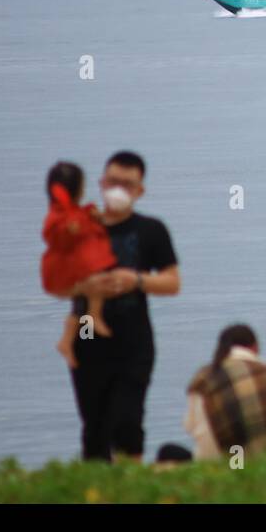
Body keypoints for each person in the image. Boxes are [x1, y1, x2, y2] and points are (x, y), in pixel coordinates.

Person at [66, 151, 181, 461]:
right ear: (101, 183)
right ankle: (96, 487)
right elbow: (57, 283)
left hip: (134, 337)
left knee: (127, 421)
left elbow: (172, 282)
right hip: (87, 331)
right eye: (113, 181)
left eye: (128, 185)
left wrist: (137, 281)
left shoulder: (151, 230)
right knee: (94, 425)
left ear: (139, 191)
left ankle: (131, 484)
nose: (118, 189)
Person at [40, 162, 117, 368]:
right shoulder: (65, 217)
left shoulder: (61, 213)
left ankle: (77, 339)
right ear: (76, 189)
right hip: (74, 270)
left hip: (66, 270)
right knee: (87, 302)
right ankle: (86, 338)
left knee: (80, 306)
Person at [182, 324, 266, 459]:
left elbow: (190, 427)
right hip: (263, 460)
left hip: (219, 461)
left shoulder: (202, 379)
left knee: (169, 451)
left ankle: (237, 467)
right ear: (255, 347)